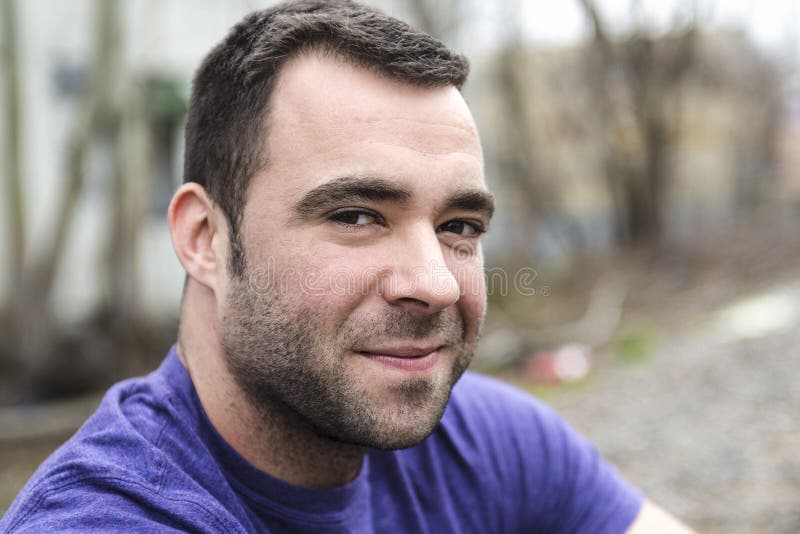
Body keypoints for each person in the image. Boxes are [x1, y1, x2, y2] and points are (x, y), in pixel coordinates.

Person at [1, 1, 693, 532]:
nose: (434, 282)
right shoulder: (112, 517)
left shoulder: (491, 446)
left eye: (459, 226)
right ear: (205, 239)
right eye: (357, 216)